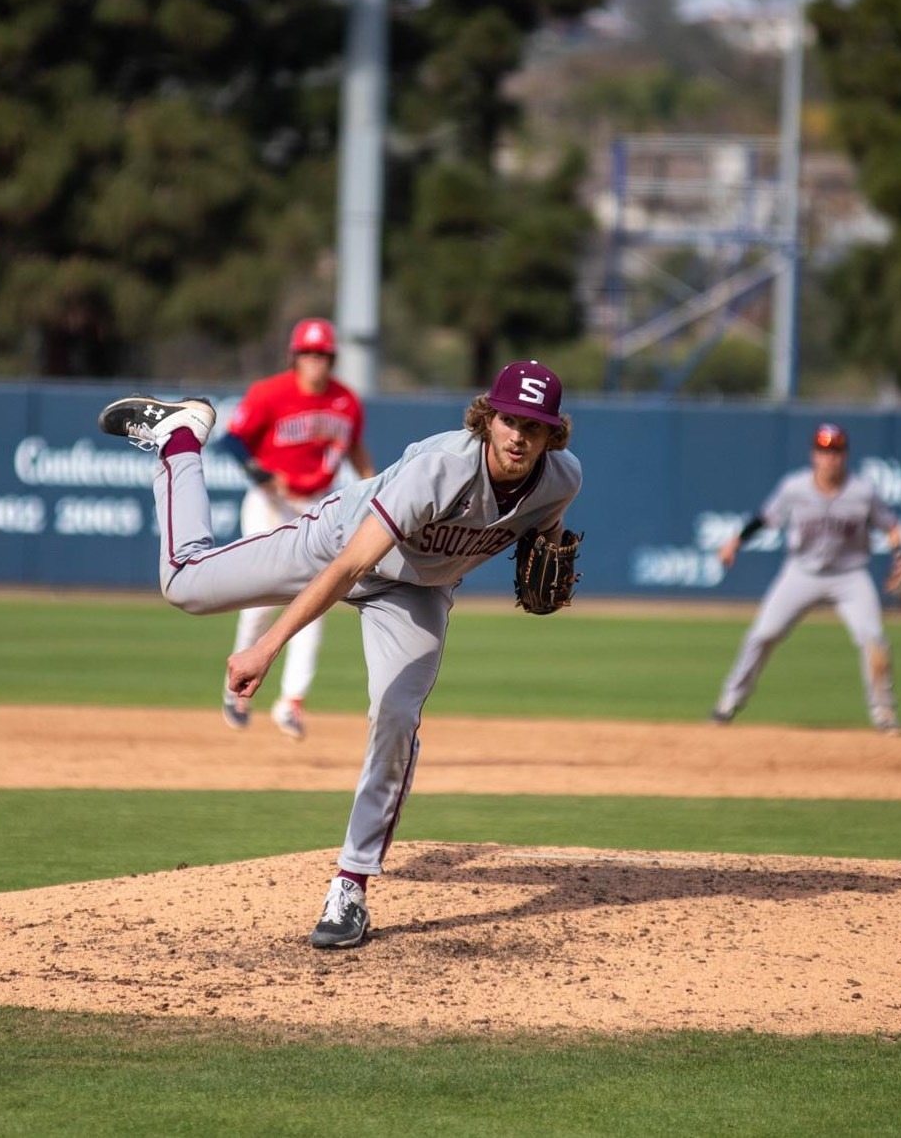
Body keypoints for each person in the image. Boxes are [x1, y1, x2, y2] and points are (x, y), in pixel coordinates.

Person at [98, 360, 582, 949]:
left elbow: (547, 531)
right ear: (488, 418)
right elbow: (350, 566)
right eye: (509, 420)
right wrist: (266, 647)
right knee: (184, 585)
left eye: (534, 427)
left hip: (417, 591)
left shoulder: (562, 479)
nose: (518, 436)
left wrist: (551, 553)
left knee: (397, 716)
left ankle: (349, 887)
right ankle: (179, 438)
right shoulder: (441, 468)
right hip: (340, 545)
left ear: (552, 435)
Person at [217, 317, 374, 740]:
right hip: (271, 503)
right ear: (295, 356)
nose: (315, 361)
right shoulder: (270, 393)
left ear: (332, 358)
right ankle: (237, 689)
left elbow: (356, 448)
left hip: (318, 505)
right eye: (308, 353)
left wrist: (371, 485)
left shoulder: (346, 401)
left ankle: (291, 702)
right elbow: (231, 441)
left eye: (322, 354)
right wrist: (261, 475)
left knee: (317, 601)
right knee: (258, 604)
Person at [711, 422, 901, 735]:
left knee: (874, 639)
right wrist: (736, 541)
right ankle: (729, 701)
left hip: (850, 576)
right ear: (814, 455)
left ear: (846, 455)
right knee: (763, 634)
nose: (830, 458)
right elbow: (765, 518)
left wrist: (900, 557)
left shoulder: (862, 492)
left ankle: (883, 711)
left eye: (836, 451)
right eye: (824, 451)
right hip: (801, 573)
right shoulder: (795, 488)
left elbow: (892, 526)